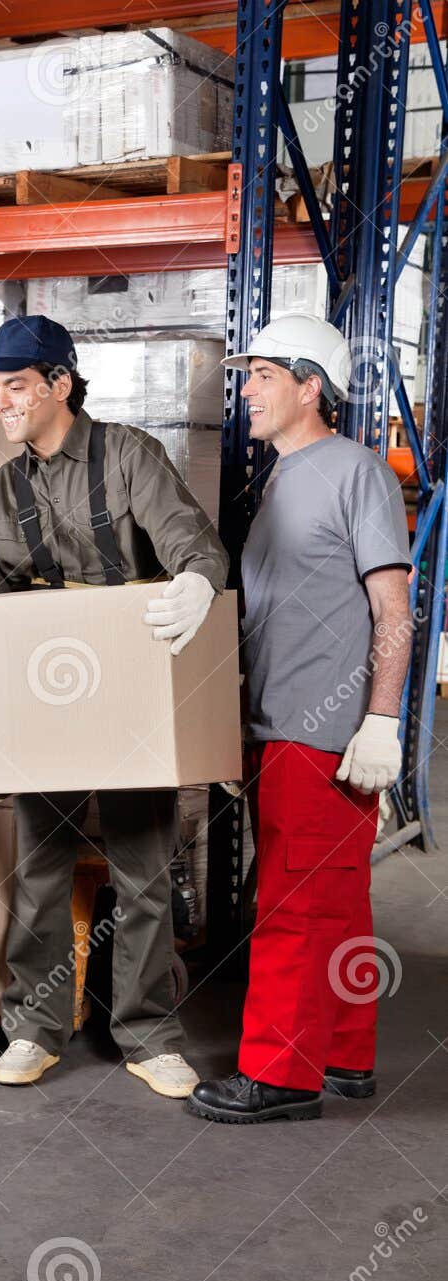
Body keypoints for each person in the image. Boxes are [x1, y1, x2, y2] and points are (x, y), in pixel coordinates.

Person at [0, 315, 229, 1098]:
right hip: (43, 692)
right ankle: (33, 1029)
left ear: (59, 385)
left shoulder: (129, 457)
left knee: (142, 867)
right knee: (40, 863)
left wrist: (196, 582)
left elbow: (190, 541)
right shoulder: (4, 490)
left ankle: (147, 1034)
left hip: (130, 684)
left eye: (15, 387)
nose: (2, 403)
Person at [188, 314, 412, 1124]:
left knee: (290, 904)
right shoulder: (284, 476)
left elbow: (393, 604)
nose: (244, 390)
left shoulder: (354, 470)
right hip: (282, 722)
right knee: (339, 898)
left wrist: (381, 720)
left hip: (319, 732)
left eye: (261, 376)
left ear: (308, 385)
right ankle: (345, 1053)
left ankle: (280, 1074)